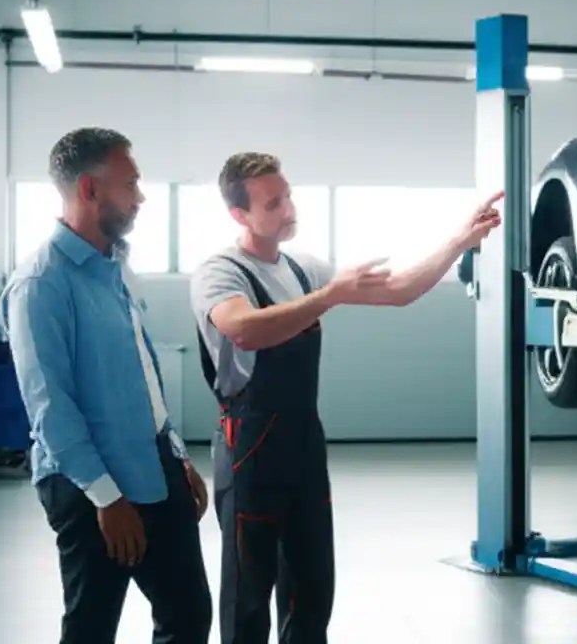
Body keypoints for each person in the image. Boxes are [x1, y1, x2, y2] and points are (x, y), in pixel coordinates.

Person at [189, 152, 503, 644]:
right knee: (247, 598)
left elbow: (399, 289)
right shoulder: (220, 272)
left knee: (312, 590)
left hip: (303, 446)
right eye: (273, 204)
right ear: (239, 215)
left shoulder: (301, 267)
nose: (289, 210)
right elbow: (243, 329)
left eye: (288, 195)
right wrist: (329, 296)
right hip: (250, 446)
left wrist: (460, 240)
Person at [1, 127, 213, 644]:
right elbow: (50, 406)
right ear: (89, 190)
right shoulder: (40, 283)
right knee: (92, 627)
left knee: (188, 615)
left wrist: (178, 454)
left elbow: (143, 374)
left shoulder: (113, 265)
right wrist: (105, 498)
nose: (140, 198)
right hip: (89, 485)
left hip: (154, 464)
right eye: (130, 184)